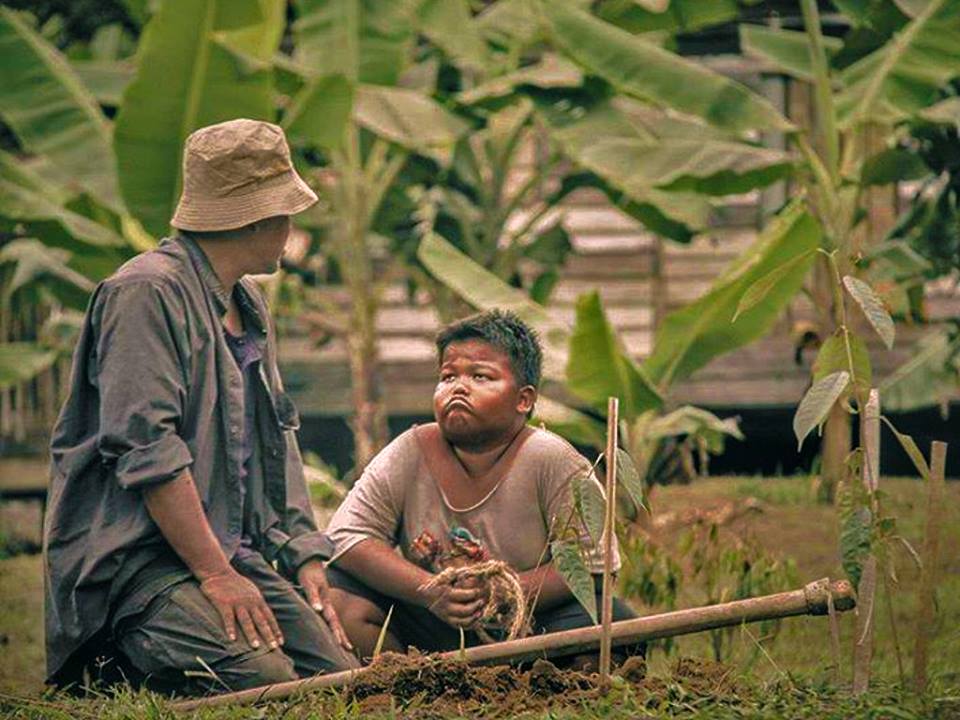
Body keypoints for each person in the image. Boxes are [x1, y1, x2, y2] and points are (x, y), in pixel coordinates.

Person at [44, 119, 358, 695]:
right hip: (142, 565)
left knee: (336, 680)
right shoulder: (145, 293)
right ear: (258, 218)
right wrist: (215, 574)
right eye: (286, 212)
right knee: (264, 684)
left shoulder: (247, 300)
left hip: (233, 549)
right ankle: (116, 660)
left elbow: (275, 440)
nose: (292, 229)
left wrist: (304, 558)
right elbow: (147, 451)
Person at [325, 310, 638, 666]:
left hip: (531, 626)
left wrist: (500, 594)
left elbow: (594, 565)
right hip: (434, 627)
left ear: (524, 399)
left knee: (612, 621)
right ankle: (411, 683)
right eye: (447, 376)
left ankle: (534, 690)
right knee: (339, 596)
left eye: (480, 376)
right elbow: (345, 538)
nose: (459, 386)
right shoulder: (410, 450)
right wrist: (430, 591)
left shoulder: (551, 458)